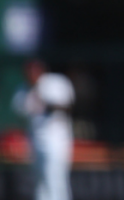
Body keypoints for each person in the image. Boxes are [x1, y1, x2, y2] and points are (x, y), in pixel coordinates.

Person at [12, 60, 75, 200]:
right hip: (35, 141)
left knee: (55, 180)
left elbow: (69, 106)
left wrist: (47, 104)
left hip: (57, 141)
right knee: (40, 182)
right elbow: (19, 112)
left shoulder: (56, 82)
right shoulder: (23, 89)